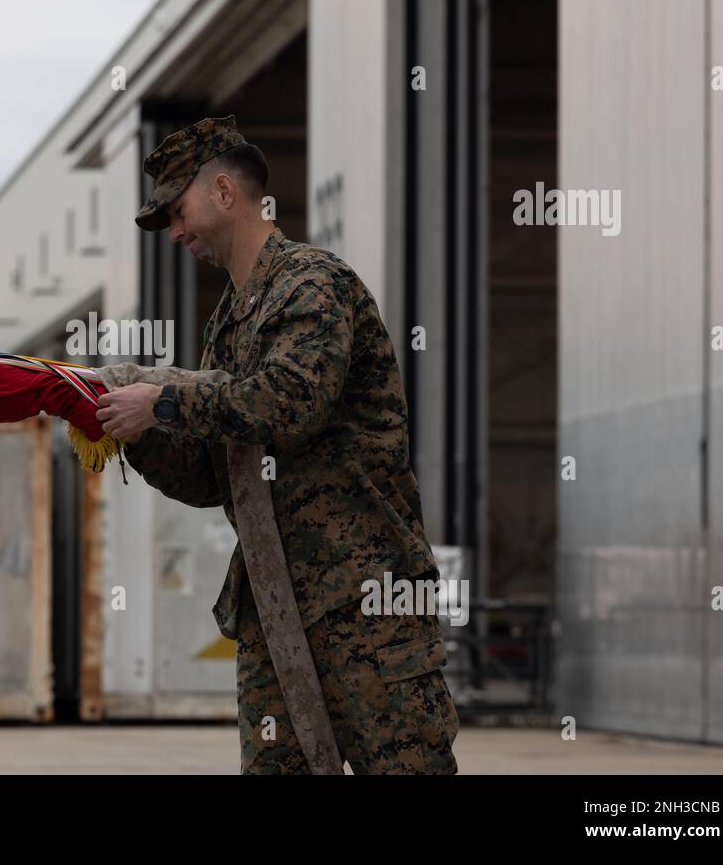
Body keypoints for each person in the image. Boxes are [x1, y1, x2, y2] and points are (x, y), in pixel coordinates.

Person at [96, 115, 459, 774]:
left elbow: (290, 403)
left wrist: (167, 398)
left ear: (225, 193)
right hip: (277, 604)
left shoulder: (313, 284)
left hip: (363, 598)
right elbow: (215, 476)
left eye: (179, 212)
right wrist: (133, 431)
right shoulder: (229, 324)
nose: (176, 232)